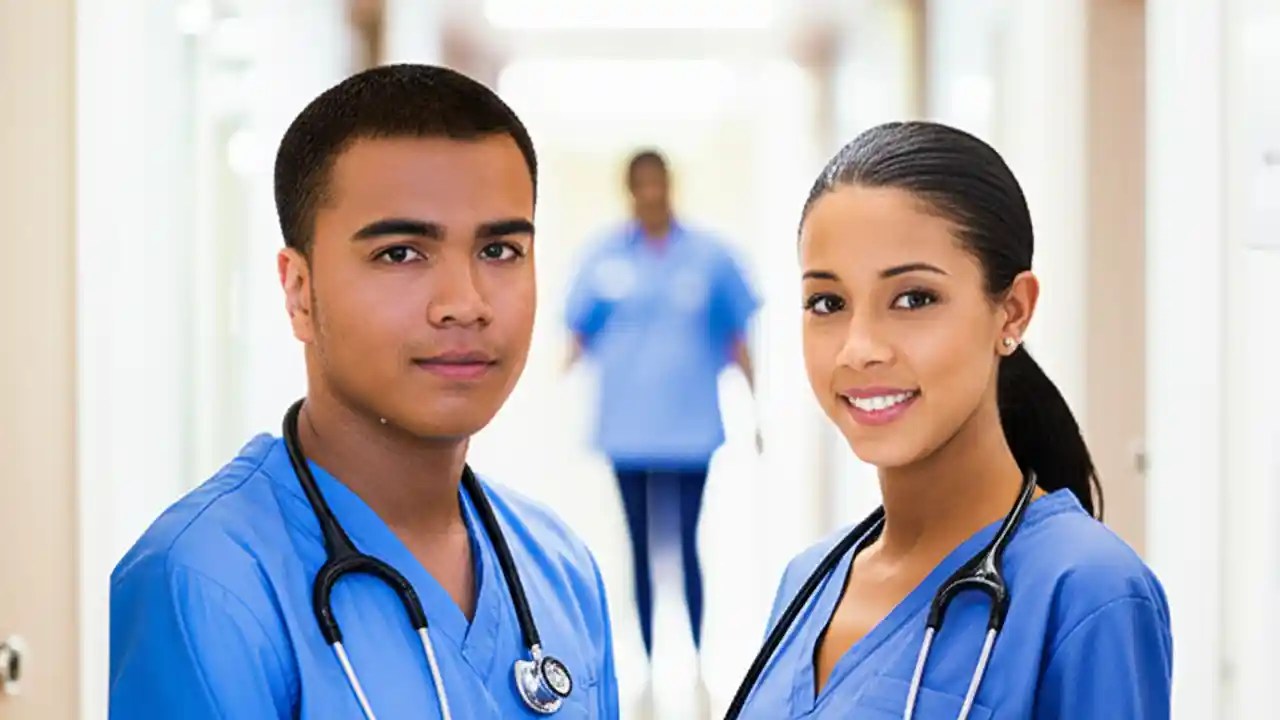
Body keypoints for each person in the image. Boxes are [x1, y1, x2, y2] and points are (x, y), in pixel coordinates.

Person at [109, 64, 620, 719]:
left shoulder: (559, 568)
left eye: (498, 251)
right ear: (298, 289)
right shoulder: (203, 585)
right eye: (400, 253)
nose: (464, 305)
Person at [728, 121, 1171, 718]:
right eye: (827, 303)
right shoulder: (805, 584)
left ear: (1012, 310)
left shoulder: (1089, 592)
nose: (859, 348)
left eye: (913, 298)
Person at [564, 149, 761, 710]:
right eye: (640, 184)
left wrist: (757, 411)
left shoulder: (710, 257)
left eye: (658, 182)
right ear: (629, 189)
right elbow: (576, 335)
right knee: (640, 549)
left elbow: (740, 338)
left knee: (686, 546)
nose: (651, 193)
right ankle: (649, 666)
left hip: (691, 429)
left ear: (670, 184)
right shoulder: (603, 257)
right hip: (626, 430)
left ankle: (698, 662)